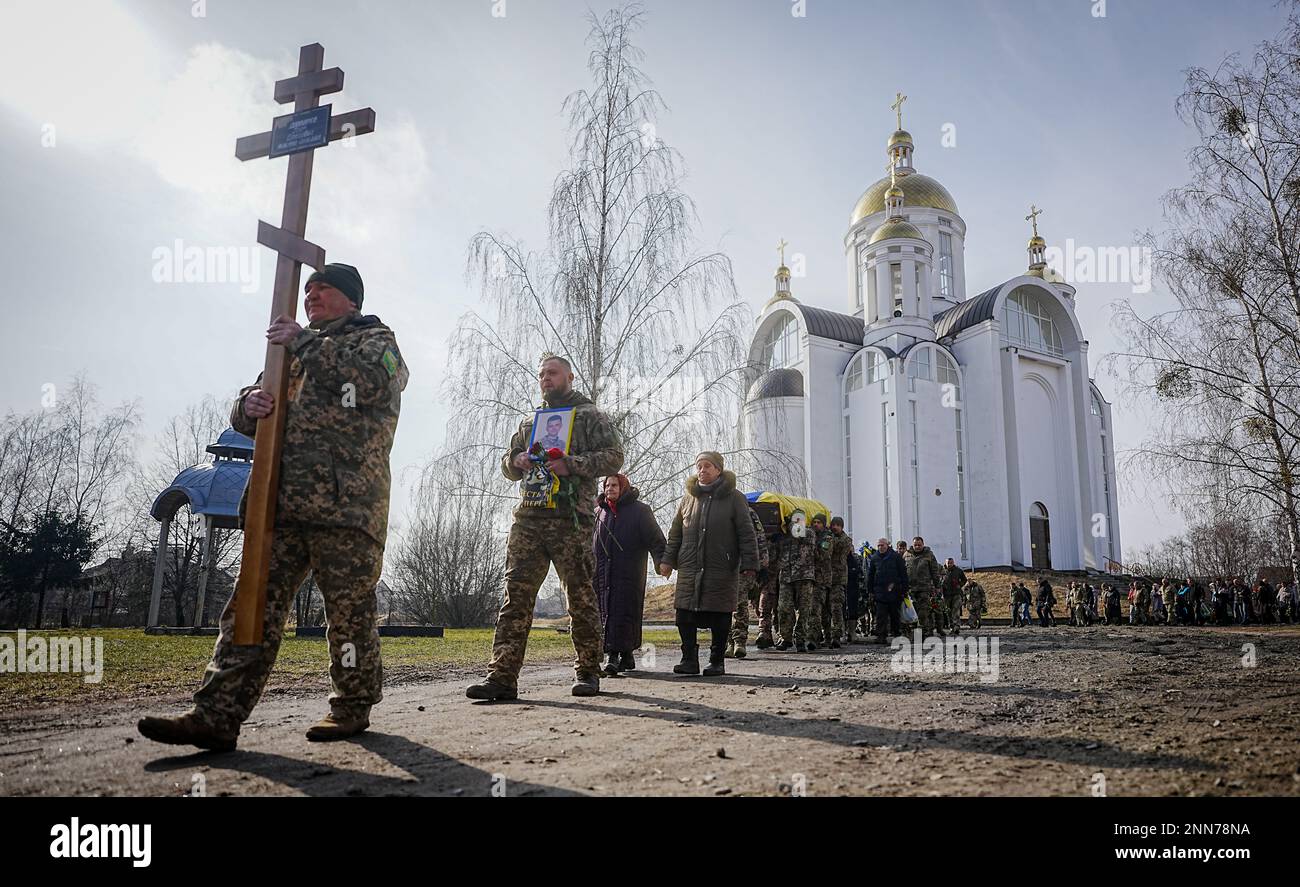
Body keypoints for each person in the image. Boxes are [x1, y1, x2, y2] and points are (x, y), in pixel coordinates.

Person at [138, 263, 408, 750]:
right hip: (276, 503)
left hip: (345, 507)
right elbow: (248, 406)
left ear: (350, 299)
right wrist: (249, 405)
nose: (311, 296)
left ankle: (351, 707)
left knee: (348, 614)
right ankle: (216, 715)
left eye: (323, 289)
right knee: (249, 609)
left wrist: (303, 342)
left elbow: (370, 384)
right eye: (307, 290)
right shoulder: (289, 351)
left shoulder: (376, 343)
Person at [467, 354, 624, 701]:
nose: (545, 379)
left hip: (570, 519)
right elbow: (508, 464)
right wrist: (516, 460)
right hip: (529, 517)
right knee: (516, 596)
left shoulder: (590, 415)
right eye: (541, 375)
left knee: (580, 596)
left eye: (552, 373)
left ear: (569, 375)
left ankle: (588, 672)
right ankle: (502, 676)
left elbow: (615, 456)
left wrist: (573, 464)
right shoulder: (531, 421)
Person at [660, 452, 759, 677]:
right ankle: (689, 660)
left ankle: (716, 661)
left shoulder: (735, 498)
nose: (702, 471)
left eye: (707, 466)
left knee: (720, 616)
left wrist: (750, 563)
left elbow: (746, 533)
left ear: (718, 470)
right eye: (699, 466)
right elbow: (675, 533)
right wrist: (667, 560)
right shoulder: (687, 499)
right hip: (689, 567)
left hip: (721, 568)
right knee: (683, 616)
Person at [594, 474, 666, 675]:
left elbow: (656, 540)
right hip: (601, 574)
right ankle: (624, 655)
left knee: (624, 612)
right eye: (607, 485)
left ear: (624, 487)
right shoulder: (598, 512)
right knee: (605, 612)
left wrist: (662, 563)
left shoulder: (640, 511)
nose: (610, 488)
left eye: (614, 485)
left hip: (630, 572)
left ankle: (614, 655)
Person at [728, 505, 770, 659]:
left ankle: (739, 641)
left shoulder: (748, 513)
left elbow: (760, 538)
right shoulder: (719, 509)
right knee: (723, 605)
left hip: (744, 566)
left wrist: (763, 565)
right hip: (724, 566)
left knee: (739, 603)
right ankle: (728, 643)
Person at [776, 509, 820, 652]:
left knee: (804, 609)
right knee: (784, 609)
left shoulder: (809, 532)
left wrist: (790, 523)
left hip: (804, 576)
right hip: (786, 576)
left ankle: (800, 639)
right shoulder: (784, 536)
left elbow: (798, 532)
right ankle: (786, 638)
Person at [867, 536, 908, 643]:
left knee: (895, 614)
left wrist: (904, 589)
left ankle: (897, 634)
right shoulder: (874, 558)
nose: (880, 547)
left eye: (882, 545)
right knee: (881, 615)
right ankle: (881, 636)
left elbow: (903, 574)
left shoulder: (896, 557)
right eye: (879, 545)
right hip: (880, 592)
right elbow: (870, 575)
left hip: (895, 591)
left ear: (887, 545)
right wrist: (870, 590)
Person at [904, 536, 944, 638]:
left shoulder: (929, 555)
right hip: (910, 589)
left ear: (923, 544)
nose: (917, 547)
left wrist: (937, 586)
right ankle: (912, 634)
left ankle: (924, 633)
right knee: (911, 612)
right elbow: (902, 570)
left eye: (919, 545)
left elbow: (935, 571)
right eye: (915, 545)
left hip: (924, 588)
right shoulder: (907, 555)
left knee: (923, 612)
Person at [824, 516, 854, 648]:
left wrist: (827, 538)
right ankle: (827, 636)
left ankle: (836, 636)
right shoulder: (828, 537)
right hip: (825, 578)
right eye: (833, 525)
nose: (835, 527)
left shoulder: (846, 540)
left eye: (837, 525)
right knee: (825, 609)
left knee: (836, 607)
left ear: (842, 527)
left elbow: (836, 548)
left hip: (838, 579)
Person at [941, 557, 967, 634]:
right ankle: (951, 626)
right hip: (946, 595)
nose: (949, 564)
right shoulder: (942, 571)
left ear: (953, 563)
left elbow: (964, 580)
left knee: (956, 611)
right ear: (945, 563)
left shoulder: (958, 571)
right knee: (948, 611)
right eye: (948, 563)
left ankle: (956, 627)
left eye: (951, 563)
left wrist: (960, 585)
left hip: (957, 594)